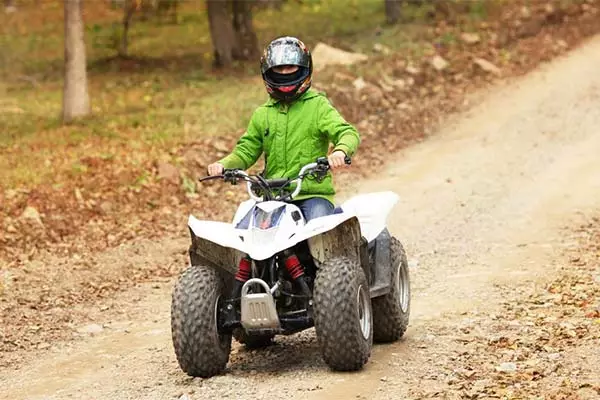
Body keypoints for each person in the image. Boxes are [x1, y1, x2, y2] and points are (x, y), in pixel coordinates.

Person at [207, 36, 360, 224]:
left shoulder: (318, 106)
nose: (285, 73)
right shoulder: (263, 114)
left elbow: (347, 132)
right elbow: (246, 150)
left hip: (312, 195)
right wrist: (224, 165)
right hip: (272, 196)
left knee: (321, 233)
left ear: (304, 69)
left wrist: (340, 151)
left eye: (290, 67)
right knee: (242, 233)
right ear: (268, 72)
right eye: (279, 69)